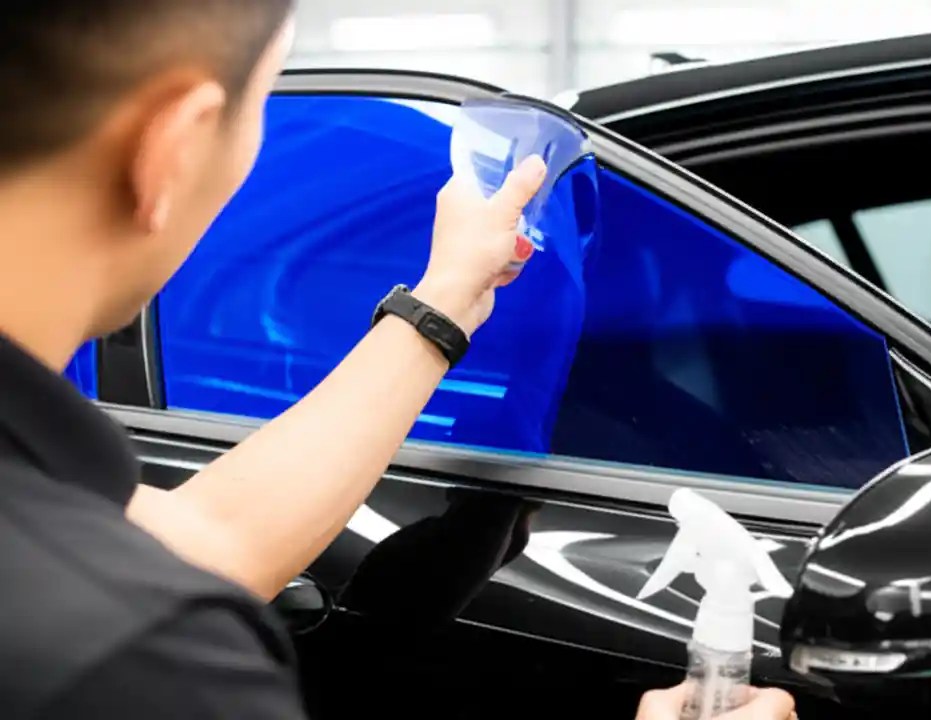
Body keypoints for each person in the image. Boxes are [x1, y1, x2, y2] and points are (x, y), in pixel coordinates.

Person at [0, 2, 798, 719]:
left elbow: (207, 539)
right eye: (260, 105)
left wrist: (446, 298)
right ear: (169, 151)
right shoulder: (137, 662)